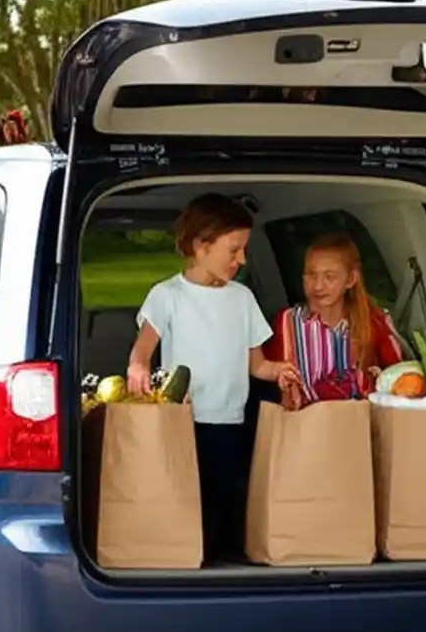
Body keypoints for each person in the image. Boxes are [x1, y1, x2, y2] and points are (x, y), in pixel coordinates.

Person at [126, 193, 300, 562]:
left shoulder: (242, 299)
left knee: (225, 501)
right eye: (233, 250)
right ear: (201, 246)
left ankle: (222, 567)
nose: (242, 260)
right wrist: (138, 368)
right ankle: (187, 562)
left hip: (231, 423)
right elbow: (143, 349)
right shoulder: (167, 295)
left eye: (244, 251)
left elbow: (257, 365)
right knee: (188, 499)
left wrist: (279, 370)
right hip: (184, 421)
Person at [262, 232, 405, 407]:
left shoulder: (374, 321)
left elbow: (400, 378)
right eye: (311, 275)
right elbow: (268, 379)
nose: (318, 286)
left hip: (361, 425)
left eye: (329, 277)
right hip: (304, 426)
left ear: (351, 279)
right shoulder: (286, 324)